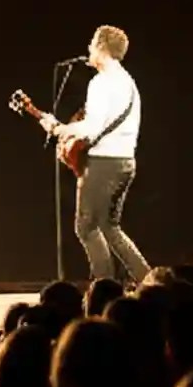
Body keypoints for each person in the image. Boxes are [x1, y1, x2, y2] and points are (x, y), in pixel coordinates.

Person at [40, 25, 151, 284]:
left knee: (86, 226)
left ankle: (105, 286)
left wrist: (60, 128)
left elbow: (91, 129)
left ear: (101, 47)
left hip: (104, 165)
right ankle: (148, 282)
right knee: (111, 229)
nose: (88, 48)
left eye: (92, 43)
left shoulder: (102, 83)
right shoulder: (128, 82)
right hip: (125, 162)